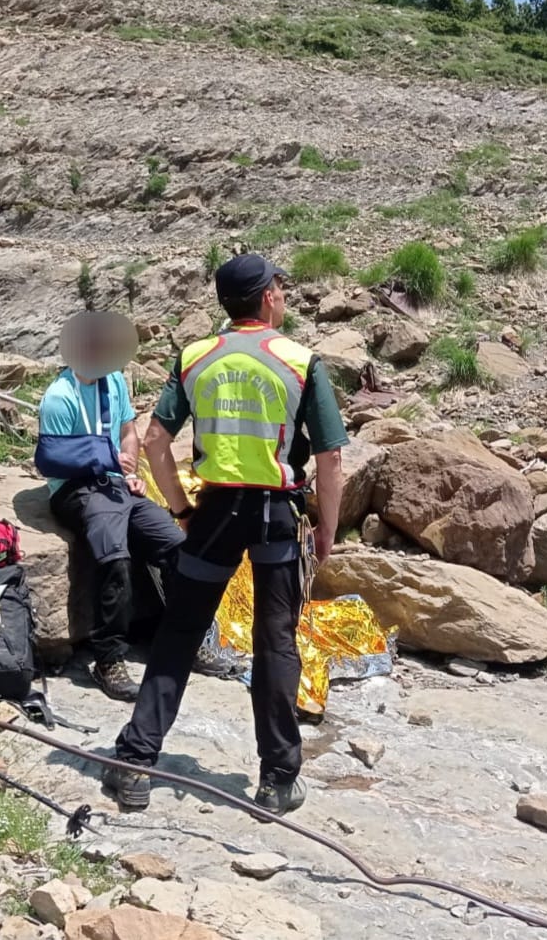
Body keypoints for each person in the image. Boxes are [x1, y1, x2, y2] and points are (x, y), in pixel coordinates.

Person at [105, 253, 347, 816]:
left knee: (179, 633)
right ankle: (277, 779)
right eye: (280, 288)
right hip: (276, 516)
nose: (283, 296)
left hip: (214, 514)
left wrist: (180, 509)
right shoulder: (300, 362)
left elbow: (155, 441)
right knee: (275, 640)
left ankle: (136, 762)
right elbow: (331, 458)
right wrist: (327, 531)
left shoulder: (196, 357)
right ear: (266, 298)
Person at [38, 312, 229, 702]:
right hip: (77, 488)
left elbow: (128, 432)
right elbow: (53, 461)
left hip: (116, 484)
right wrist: (106, 462)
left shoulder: (113, 383)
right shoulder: (59, 398)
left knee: (176, 546)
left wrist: (129, 469)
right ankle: (107, 658)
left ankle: (183, 639)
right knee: (115, 557)